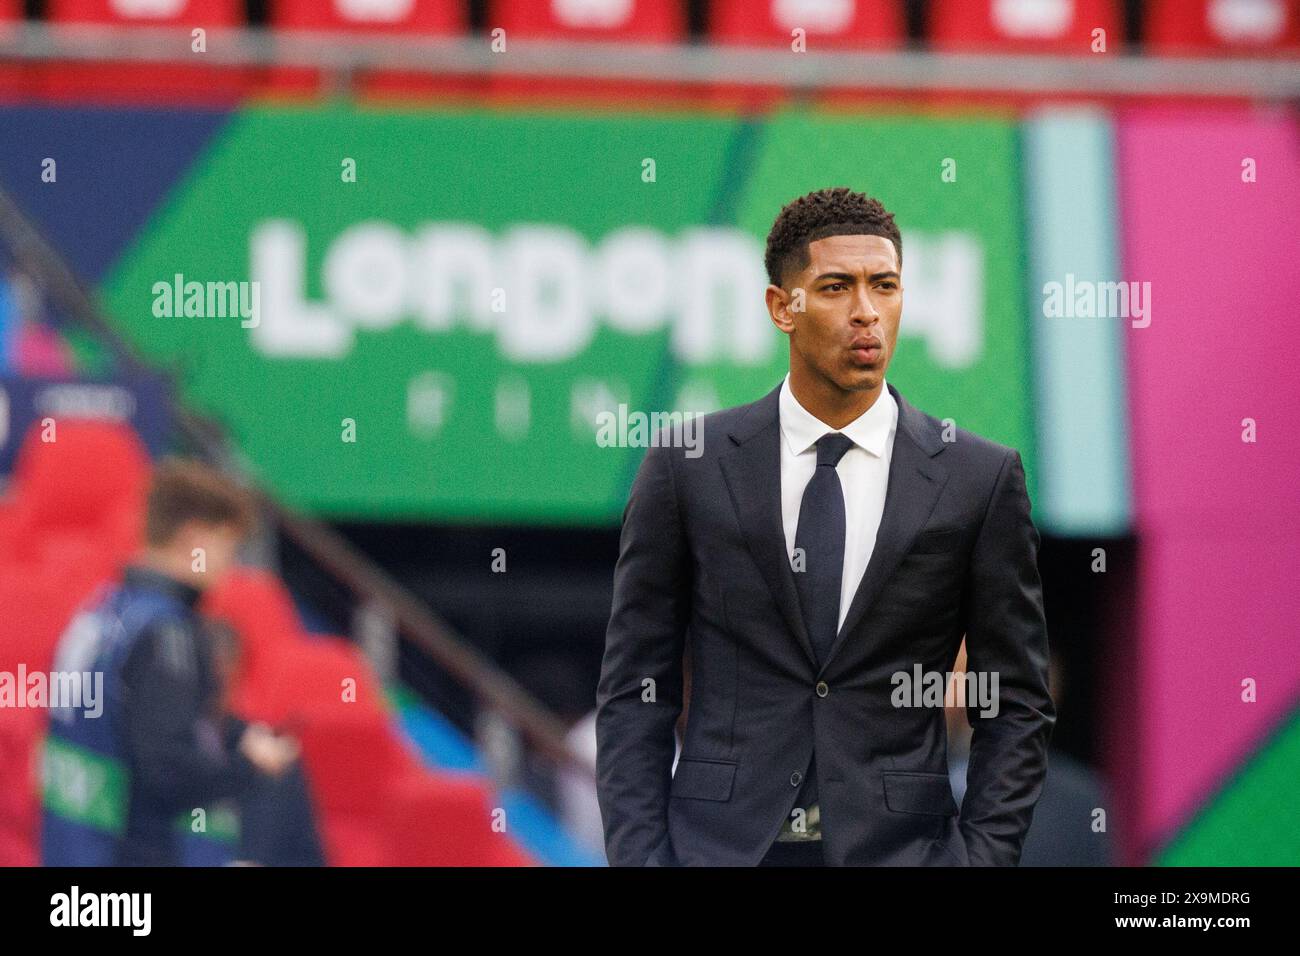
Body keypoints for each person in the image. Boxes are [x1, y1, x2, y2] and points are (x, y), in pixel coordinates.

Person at [595, 187, 1055, 866]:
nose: (867, 312)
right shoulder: (686, 465)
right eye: (836, 287)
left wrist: (980, 858)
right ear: (783, 307)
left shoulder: (977, 478)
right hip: (719, 852)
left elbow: (1014, 702)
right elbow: (636, 687)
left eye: (886, 285)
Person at [41, 457, 300, 866]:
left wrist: (234, 734)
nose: (230, 567)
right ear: (195, 539)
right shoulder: (167, 634)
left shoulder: (99, 614)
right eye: (228, 547)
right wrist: (249, 765)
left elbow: (131, 721)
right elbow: (165, 770)